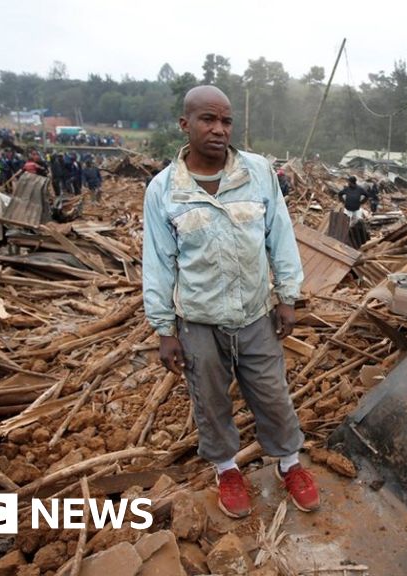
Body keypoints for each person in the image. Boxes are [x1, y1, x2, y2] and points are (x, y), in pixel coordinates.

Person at [142, 85, 318, 519]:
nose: (219, 129)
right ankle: (227, 470)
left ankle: (289, 464)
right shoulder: (164, 190)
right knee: (210, 400)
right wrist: (164, 329)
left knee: (273, 394)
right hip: (198, 321)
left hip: (255, 314)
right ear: (185, 124)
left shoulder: (257, 173)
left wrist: (288, 297)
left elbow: (280, 235)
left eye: (226, 121)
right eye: (208, 119)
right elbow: (159, 263)